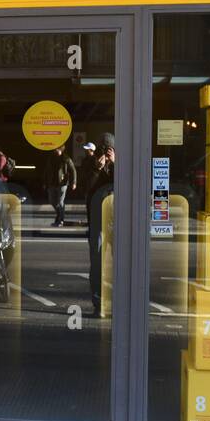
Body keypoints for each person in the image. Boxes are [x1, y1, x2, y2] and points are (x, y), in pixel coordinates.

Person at [86, 133, 115, 317]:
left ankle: (118, 301)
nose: (105, 152)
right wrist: (97, 169)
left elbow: (128, 184)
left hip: (116, 220)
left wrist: (116, 163)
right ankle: (98, 303)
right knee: (97, 261)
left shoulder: (122, 164)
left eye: (109, 149)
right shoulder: (91, 164)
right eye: (103, 149)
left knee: (120, 262)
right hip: (97, 221)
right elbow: (86, 188)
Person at [44, 143, 77, 226]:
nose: (55, 150)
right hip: (52, 183)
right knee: (52, 201)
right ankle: (59, 215)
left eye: (57, 149)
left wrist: (74, 182)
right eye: (54, 149)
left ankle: (60, 220)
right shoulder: (51, 158)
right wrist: (45, 182)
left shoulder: (66, 159)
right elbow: (46, 171)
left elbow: (73, 170)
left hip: (62, 183)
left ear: (61, 149)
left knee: (60, 202)